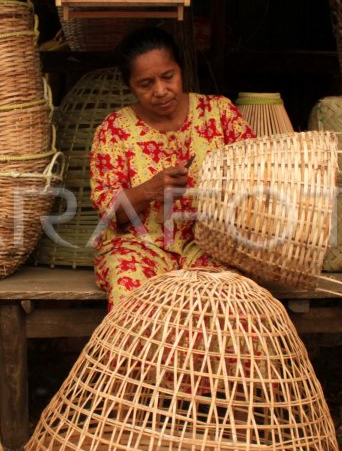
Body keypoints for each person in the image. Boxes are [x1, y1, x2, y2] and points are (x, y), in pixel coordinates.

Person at [89, 27, 255, 308]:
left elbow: (256, 174)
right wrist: (149, 190)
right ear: (129, 85)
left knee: (228, 301)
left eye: (168, 77)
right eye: (145, 83)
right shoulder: (115, 129)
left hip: (211, 244)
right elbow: (108, 211)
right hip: (139, 246)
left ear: (182, 69)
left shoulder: (220, 114)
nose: (160, 91)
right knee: (132, 299)